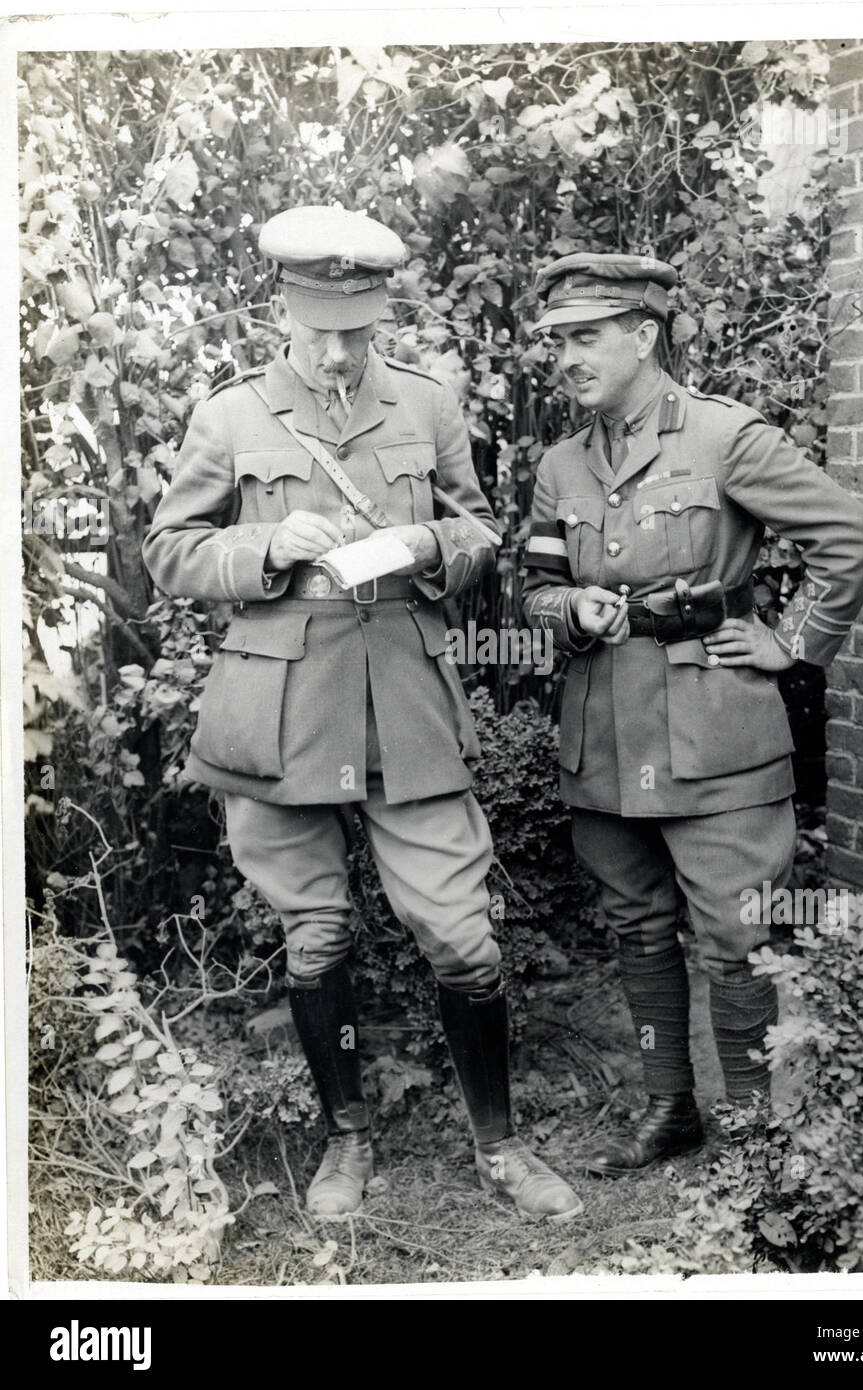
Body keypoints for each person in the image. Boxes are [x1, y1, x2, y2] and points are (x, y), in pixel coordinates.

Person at [143, 205, 582, 1224]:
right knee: (314, 934)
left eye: (356, 330)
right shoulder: (232, 414)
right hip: (279, 707)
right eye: (316, 331)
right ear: (283, 313)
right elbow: (170, 552)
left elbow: (477, 526)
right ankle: (345, 1137)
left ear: (380, 316)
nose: (337, 352)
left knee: (460, 935)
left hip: (406, 701)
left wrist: (434, 547)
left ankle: (500, 1142)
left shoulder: (427, 403)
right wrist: (264, 548)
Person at [521, 253, 863, 1174]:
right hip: (603, 732)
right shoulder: (561, 463)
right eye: (557, 340)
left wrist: (795, 644)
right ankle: (669, 1110)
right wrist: (570, 611)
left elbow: (850, 536)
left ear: (643, 337)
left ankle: (757, 1135)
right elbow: (535, 584)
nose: (566, 356)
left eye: (585, 337)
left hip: (716, 730)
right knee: (636, 926)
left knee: (735, 934)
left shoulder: (727, 437)